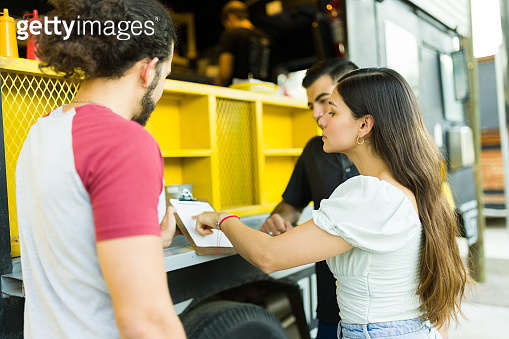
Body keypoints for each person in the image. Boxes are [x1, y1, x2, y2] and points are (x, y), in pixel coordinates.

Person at [196, 68, 472, 338]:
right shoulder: (404, 186)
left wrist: (221, 219)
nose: (321, 119)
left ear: (364, 125)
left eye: (333, 111)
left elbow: (269, 257)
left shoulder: (371, 194)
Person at [16, 1, 186, 338]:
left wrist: (151, 239)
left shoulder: (41, 132)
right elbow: (146, 321)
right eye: (166, 75)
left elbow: (70, 244)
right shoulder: (123, 142)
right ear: (148, 70)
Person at [260, 58, 359, 339]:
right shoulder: (315, 150)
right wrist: (279, 218)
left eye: (325, 101)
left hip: (376, 315)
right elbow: (291, 204)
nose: (317, 114)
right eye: (311, 106)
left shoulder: (387, 160)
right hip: (331, 309)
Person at [215, 0, 275, 86]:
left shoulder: (231, 34)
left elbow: (225, 74)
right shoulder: (268, 39)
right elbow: (274, 74)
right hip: (265, 94)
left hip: (239, 95)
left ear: (231, 18)